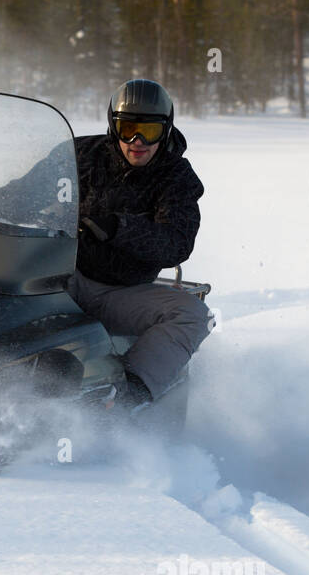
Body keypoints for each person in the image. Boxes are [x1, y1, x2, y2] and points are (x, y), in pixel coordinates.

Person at [71, 79, 211, 406]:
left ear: (166, 130)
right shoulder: (79, 154)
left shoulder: (176, 177)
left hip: (123, 294)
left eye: (149, 131)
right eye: (128, 128)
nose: (138, 141)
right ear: (112, 126)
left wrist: (119, 227)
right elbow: (22, 188)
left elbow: (176, 242)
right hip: (63, 274)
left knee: (193, 314)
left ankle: (127, 394)